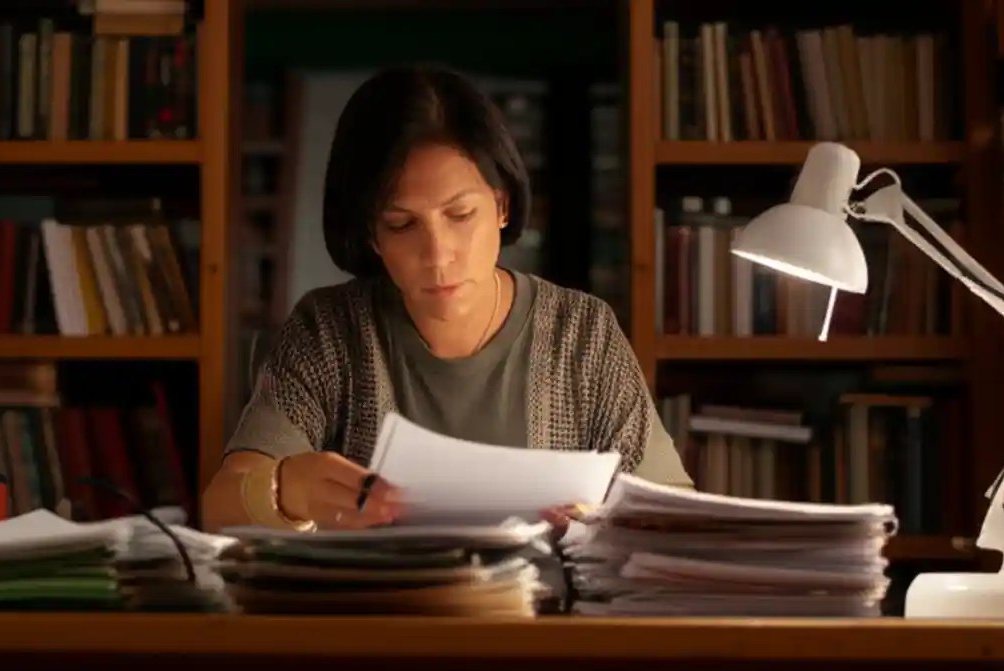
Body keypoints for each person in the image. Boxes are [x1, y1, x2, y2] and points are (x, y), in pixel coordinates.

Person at [201, 65, 691, 533]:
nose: (437, 256)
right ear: (372, 234)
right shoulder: (329, 332)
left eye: (460, 215)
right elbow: (221, 507)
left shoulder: (581, 334)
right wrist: (287, 490)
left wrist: (602, 524)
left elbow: (670, 512)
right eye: (402, 225)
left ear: (501, 205)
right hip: (376, 616)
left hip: (543, 616)